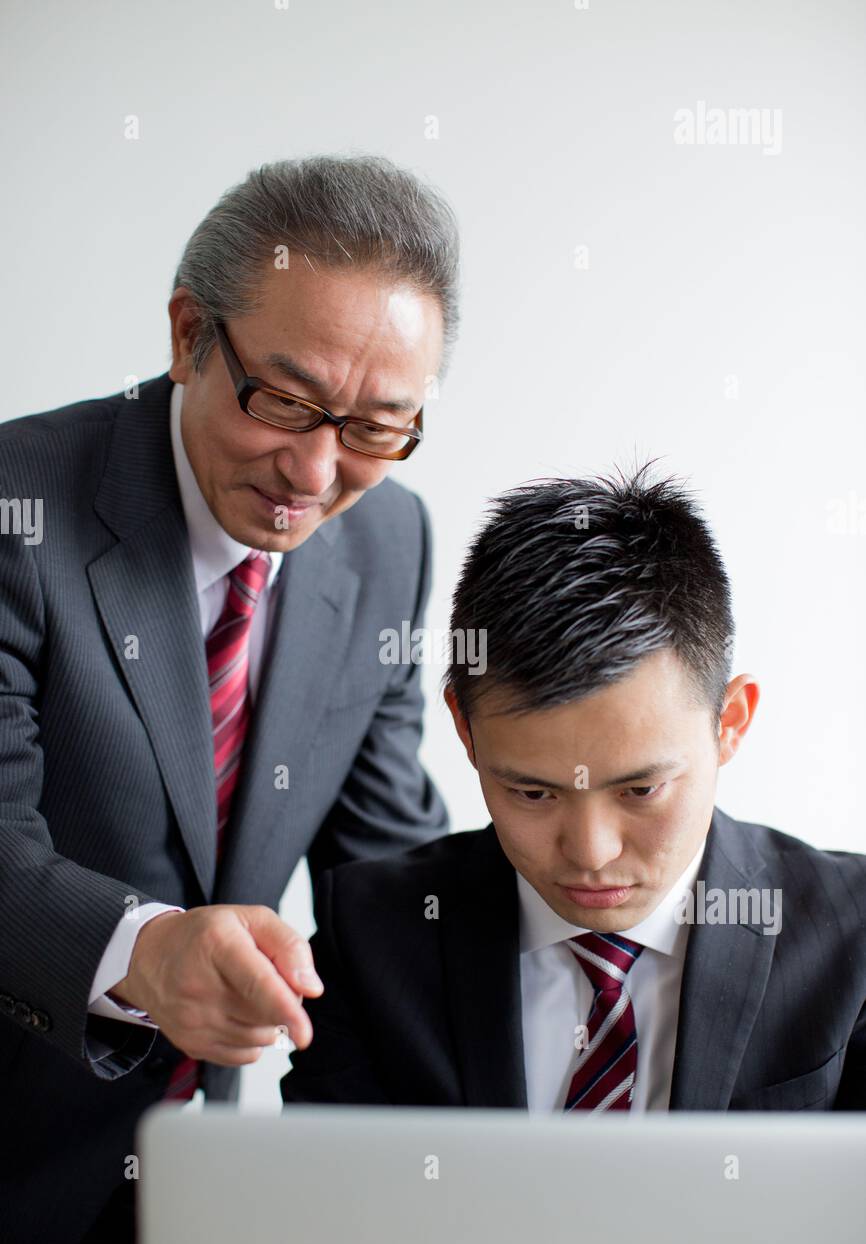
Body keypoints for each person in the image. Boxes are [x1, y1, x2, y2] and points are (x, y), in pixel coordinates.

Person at [0, 153, 458, 1244]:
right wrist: (145, 953)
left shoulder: (387, 539)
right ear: (187, 333)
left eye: (376, 425)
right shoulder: (16, 510)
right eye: (285, 402)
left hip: (174, 1185)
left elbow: (385, 875)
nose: (315, 471)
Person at [283, 467, 866, 1114]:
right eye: (533, 793)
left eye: (641, 790)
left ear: (730, 723)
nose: (590, 853)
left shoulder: (853, 936)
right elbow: (328, 1208)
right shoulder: (370, 937)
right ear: (466, 730)